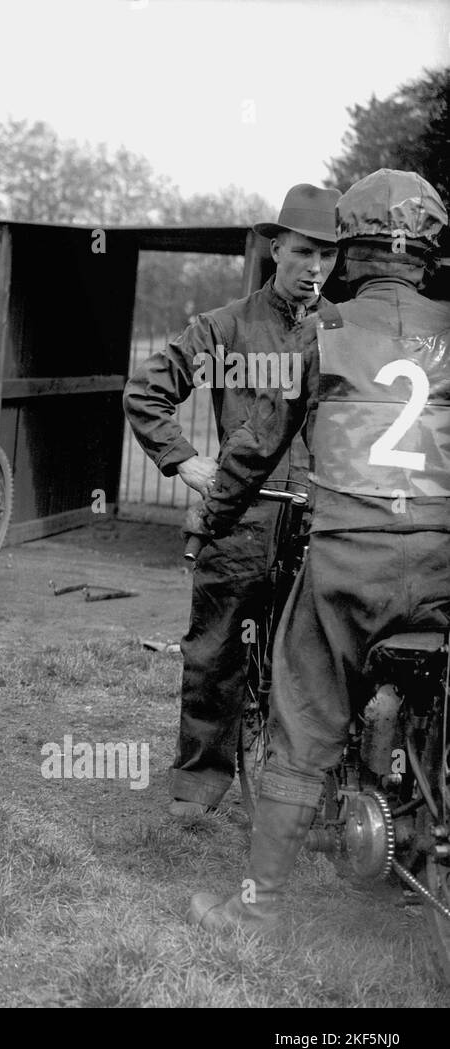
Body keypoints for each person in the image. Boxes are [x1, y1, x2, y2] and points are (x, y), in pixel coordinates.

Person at [188, 169, 450, 934]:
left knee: (304, 721)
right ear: (428, 250)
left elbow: (255, 447)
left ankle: (260, 907)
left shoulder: (319, 331)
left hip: (349, 564)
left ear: (353, 245)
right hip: (441, 564)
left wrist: (217, 515)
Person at [122, 183, 340, 819]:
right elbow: (147, 390)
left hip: (323, 520)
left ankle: (321, 794)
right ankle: (199, 782)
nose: (315, 269)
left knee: (324, 659)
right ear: (276, 248)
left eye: (328, 257)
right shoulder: (225, 328)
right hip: (243, 517)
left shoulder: (345, 332)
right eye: (303, 253)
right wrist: (186, 461)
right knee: (217, 651)